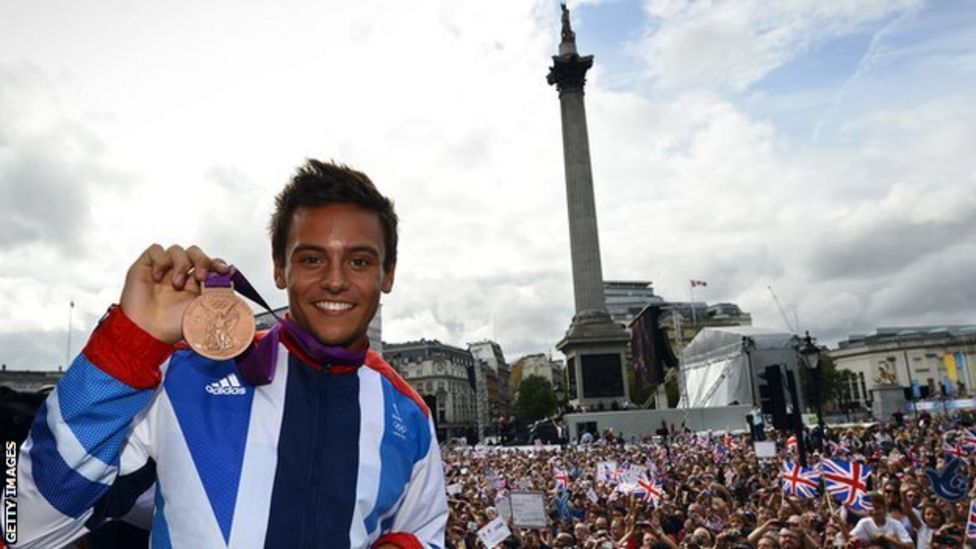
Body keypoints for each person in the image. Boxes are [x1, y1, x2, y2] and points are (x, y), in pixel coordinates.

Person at [15, 160, 448, 548]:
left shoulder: (408, 415)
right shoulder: (185, 375)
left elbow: (425, 532)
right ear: (280, 269)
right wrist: (129, 343)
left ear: (387, 274)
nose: (335, 281)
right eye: (313, 259)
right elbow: (29, 525)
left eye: (359, 262)